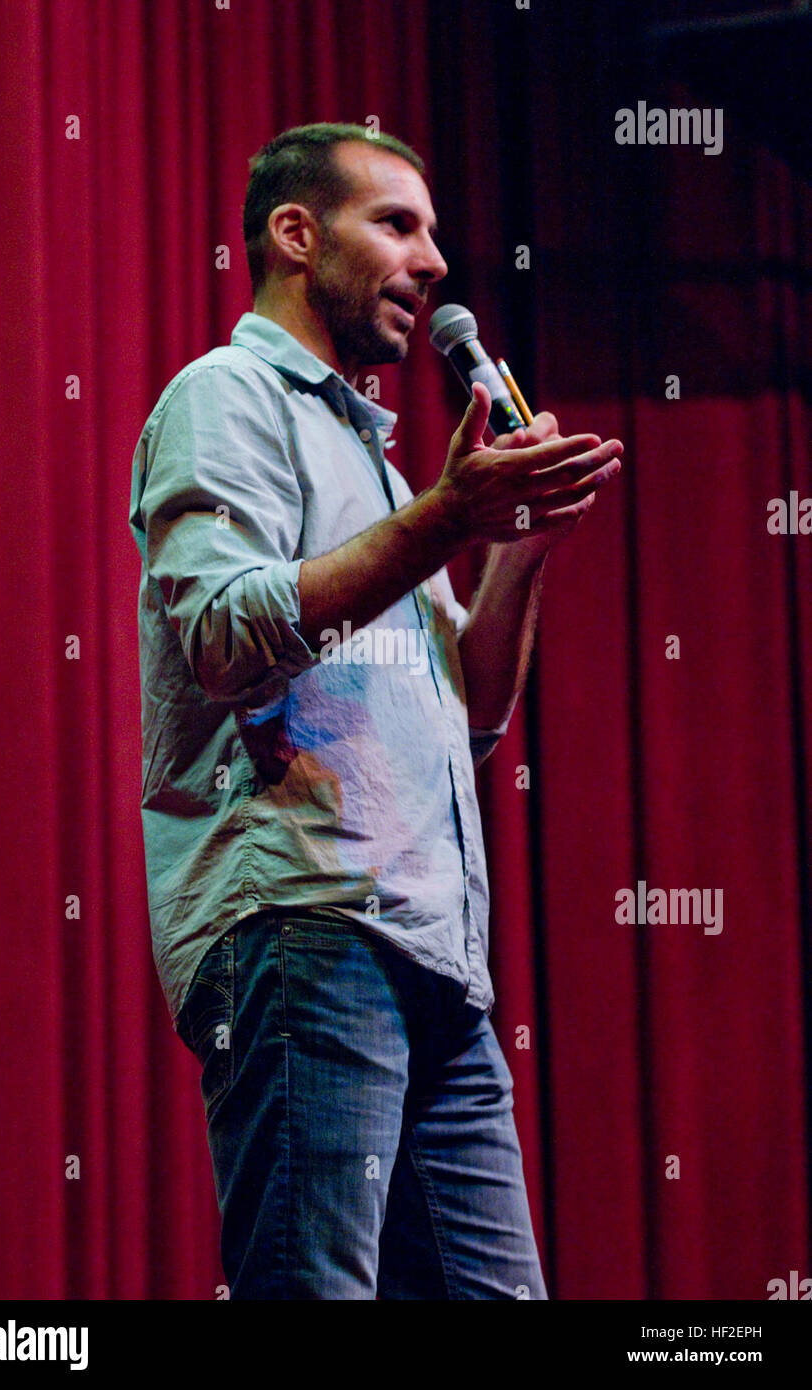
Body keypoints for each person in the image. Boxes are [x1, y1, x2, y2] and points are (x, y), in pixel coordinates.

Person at [128, 122, 623, 1300]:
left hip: (437, 959)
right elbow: (224, 636)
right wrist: (448, 519)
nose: (435, 260)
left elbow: (469, 722)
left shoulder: (395, 475)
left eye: (435, 233)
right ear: (296, 236)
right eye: (396, 226)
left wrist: (517, 554)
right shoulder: (226, 393)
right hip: (303, 926)